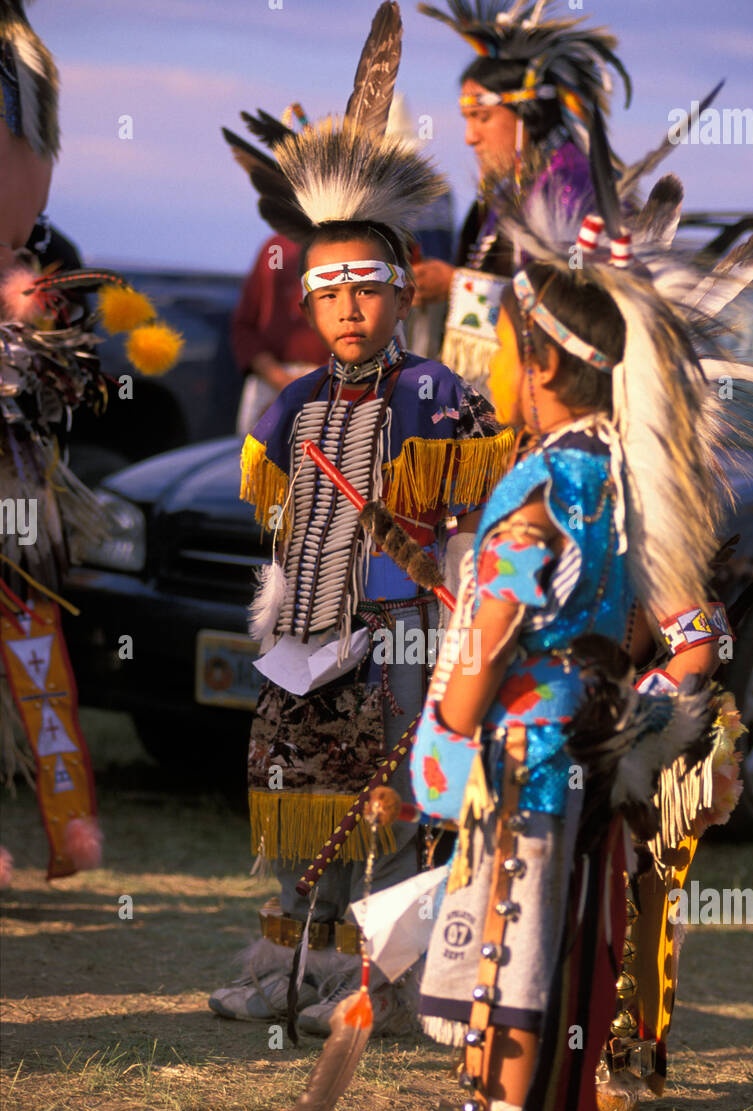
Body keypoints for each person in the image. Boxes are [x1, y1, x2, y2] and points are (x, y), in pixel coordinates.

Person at [364, 159, 753, 1111]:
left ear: (544, 361)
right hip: (590, 755)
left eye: (508, 347)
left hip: (527, 758)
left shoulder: (544, 478)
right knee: (563, 961)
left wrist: (444, 731)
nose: (500, 366)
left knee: (515, 959)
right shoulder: (627, 479)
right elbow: (620, 615)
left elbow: (498, 619)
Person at [207, 2, 514, 1035]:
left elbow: (476, 524)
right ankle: (287, 966)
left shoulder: (439, 395)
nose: (346, 307)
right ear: (304, 298)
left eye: (367, 287)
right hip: (307, 633)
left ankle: (373, 983)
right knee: (300, 805)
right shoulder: (293, 403)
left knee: (389, 811)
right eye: (326, 288)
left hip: (403, 638)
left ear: (400, 290)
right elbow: (279, 518)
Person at [0, 1, 181, 881]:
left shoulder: (54, 253)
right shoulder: (48, 247)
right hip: (23, 486)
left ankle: (65, 827)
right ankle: (57, 827)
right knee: (27, 643)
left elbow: (78, 378)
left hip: (23, 485)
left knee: (29, 643)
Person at [412, 0, 629, 393]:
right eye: (466, 120)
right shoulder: (508, 193)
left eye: (482, 117)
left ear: (529, 112)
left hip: (557, 394)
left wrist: (457, 285)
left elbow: (573, 308)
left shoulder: (573, 187)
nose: (470, 137)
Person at [231, 232, 326, 436]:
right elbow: (244, 327)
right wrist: (280, 380)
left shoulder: (348, 246)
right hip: (269, 380)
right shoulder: (276, 248)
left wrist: (319, 383)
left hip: (329, 384)